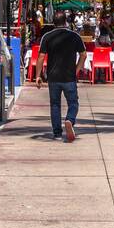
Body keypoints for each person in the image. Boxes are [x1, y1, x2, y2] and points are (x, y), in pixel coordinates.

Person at [36, 9, 87, 142]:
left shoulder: (47, 36)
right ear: (66, 21)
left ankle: (57, 133)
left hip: (53, 77)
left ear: (53, 22)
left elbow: (41, 57)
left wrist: (38, 76)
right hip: (69, 77)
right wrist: (76, 70)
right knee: (73, 103)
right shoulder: (74, 36)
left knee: (55, 105)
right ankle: (70, 120)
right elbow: (83, 54)